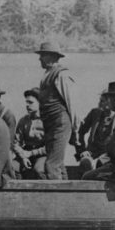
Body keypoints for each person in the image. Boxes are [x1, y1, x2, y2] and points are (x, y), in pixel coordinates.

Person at [36, 42, 78, 179]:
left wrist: (75, 130)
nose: (39, 59)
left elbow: (72, 104)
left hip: (60, 123)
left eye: (42, 55)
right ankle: (68, 194)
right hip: (51, 125)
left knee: (51, 164)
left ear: (51, 57)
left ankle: (59, 197)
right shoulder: (46, 75)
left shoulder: (62, 75)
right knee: (57, 163)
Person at [76, 94, 115, 175]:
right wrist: (82, 150)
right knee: (85, 162)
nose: (99, 103)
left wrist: (104, 157)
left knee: (103, 165)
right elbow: (80, 131)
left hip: (109, 156)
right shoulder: (94, 113)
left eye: (102, 101)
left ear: (110, 102)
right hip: (93, 153)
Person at [12, 88, 47, 179]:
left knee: (39, 170)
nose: (27, 105)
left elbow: (51, 146)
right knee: (12, 167)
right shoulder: (23, 120)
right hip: (25, 153)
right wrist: (23, 156)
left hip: (42, 154)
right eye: (26, 102)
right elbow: (16, 142)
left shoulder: (48, 121)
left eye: (30, 102)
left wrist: (31, 153)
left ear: (40, 103)